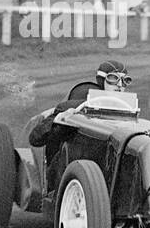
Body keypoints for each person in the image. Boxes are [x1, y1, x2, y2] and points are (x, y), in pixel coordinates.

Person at [29, 60, 132, 190]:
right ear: (102, 80)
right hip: (73, 170)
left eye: (125, 81)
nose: (120, 85)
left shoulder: (130, 112)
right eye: (113, 78)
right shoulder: (73, 106)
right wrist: (61, 120)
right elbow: (35, 138)